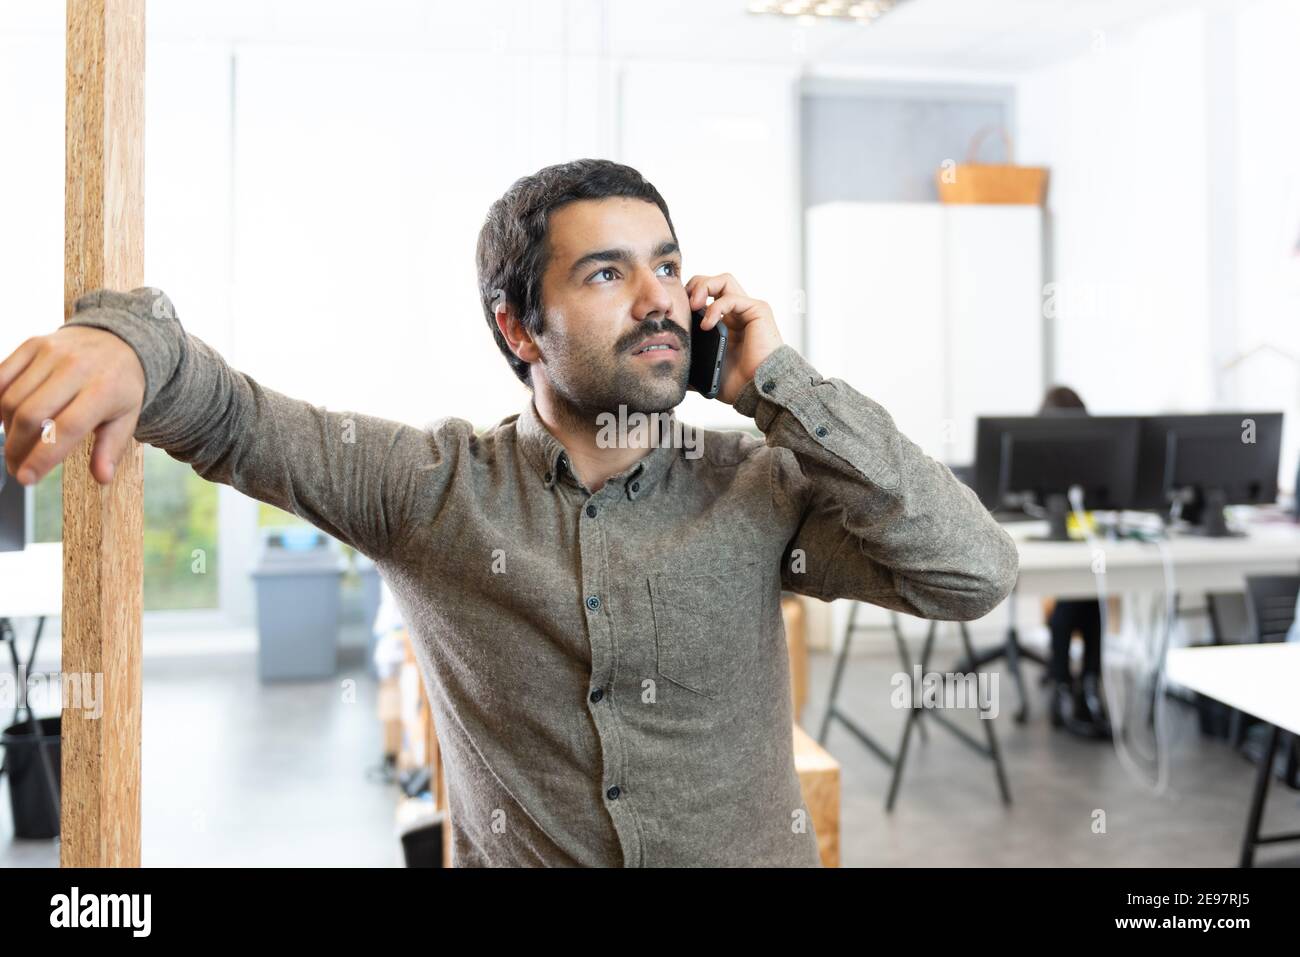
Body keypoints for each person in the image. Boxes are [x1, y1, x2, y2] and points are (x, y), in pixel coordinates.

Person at [0, 158, 1019, 867]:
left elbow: (971, 573)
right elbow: (230, 414)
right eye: (607, 273)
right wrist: (128, 341)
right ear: (516, 325)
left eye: (667, 265)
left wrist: (780, 386)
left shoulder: (757, 485)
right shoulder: (425, 490)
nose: (658, 298)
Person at [1038, 385, 1111, 740]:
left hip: (1085, 545)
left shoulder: (1094, 458)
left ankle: (1083, 684)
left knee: (1089, 595)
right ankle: (1070, 685)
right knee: (1074, 596)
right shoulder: (1036, 456)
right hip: (1050, 546)